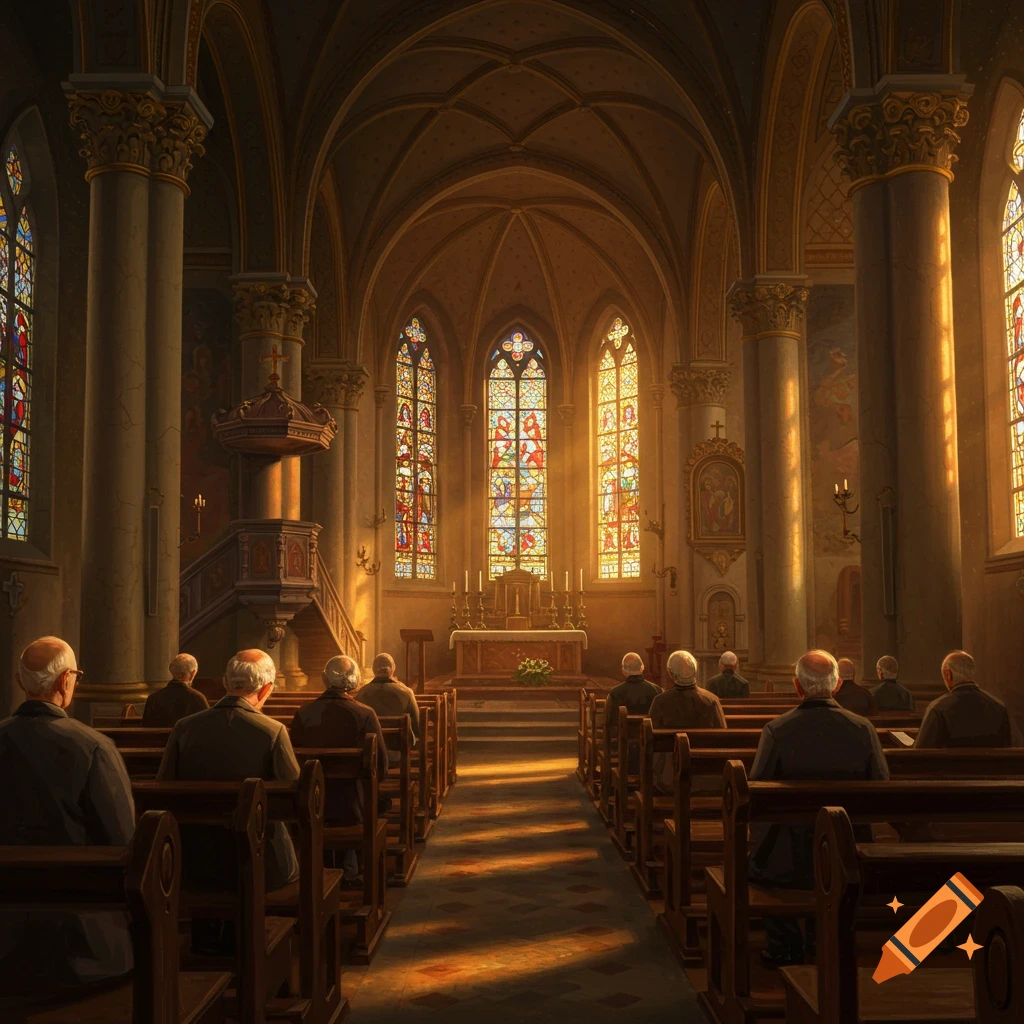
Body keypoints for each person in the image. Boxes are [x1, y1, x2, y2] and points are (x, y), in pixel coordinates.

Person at [0, 636, 136, 995]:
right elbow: (125, 844)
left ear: (20, 683)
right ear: (65, 681)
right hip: (82, 946)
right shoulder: (94, 747)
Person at [749, 650, 889, 969]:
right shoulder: (863, 728)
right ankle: (822, 938)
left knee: (761, 857)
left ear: (797, 687)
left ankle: (785, 946)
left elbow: (758, 794)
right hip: (847, 850)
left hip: (787, 860)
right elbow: (880, 786)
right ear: (837, 685)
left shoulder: (777, 729)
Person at [158, 649, 300, 953]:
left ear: (225, 681)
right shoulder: (273, 732)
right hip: (260, 864)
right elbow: (294, 799)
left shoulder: (185, 728)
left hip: (197, 861)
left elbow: (164, 789)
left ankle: (205, 948)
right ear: (266, 689)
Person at [290, 656, 390, 885]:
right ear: (354, 681)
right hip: (352, 805)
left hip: (312, 802)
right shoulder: (365, 714)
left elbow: (293, 764)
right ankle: (349, 873)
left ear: (325, 679)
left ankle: (324, 874)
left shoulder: (304, 713)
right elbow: (381, 768)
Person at [648, 650, 726, 792]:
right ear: (695, 671)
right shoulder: (712, 700)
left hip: (671, 777)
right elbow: (722, 735)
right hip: (708, 775)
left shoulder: (660, 701)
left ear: (670, 673)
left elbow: (650, 739)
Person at [914, 650, 1022, 748]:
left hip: (952, 769)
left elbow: (920, 752)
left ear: (948, 674)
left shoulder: (938, 708)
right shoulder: (999, 706)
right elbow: (1015, 745)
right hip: (992, 769)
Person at [356, 653, 420, 764]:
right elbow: (416, 726)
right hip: (399, 751)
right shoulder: (407, 692)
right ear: (393, 668)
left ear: (373, 669)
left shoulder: (362, 693)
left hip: (371, 752)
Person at [603, 653, 661, 774]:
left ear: (623, 671)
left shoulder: (615, 693)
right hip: (652, 743)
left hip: (623, 744)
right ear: (642, 667)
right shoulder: (657, 691)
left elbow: (609, 722)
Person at [140, 652, 209, 726]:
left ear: (171, 670)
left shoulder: (153, 699)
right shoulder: (197, 698)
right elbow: (207, 727)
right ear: (193, 673)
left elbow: (145, 727)